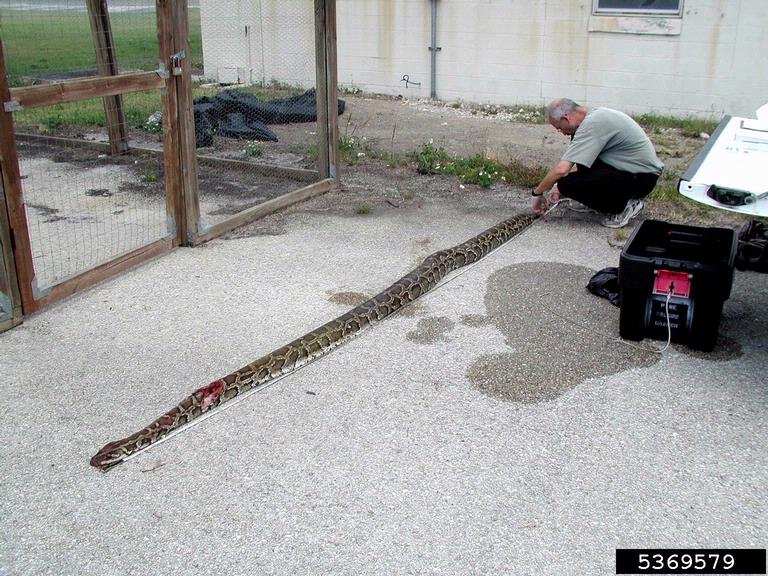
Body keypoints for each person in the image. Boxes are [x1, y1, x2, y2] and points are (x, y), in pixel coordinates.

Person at [531, 98, 664, 228]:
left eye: (559, 128)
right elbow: (580, 163)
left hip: (640, 179)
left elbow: (562, 170)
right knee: (579, 166)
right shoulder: (594, 117)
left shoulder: (593, 124)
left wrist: (537, 193)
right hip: (632, 173)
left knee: (566, 183)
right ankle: (601, 202)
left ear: (566, 118)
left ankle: (625, 206)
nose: (562, 132)